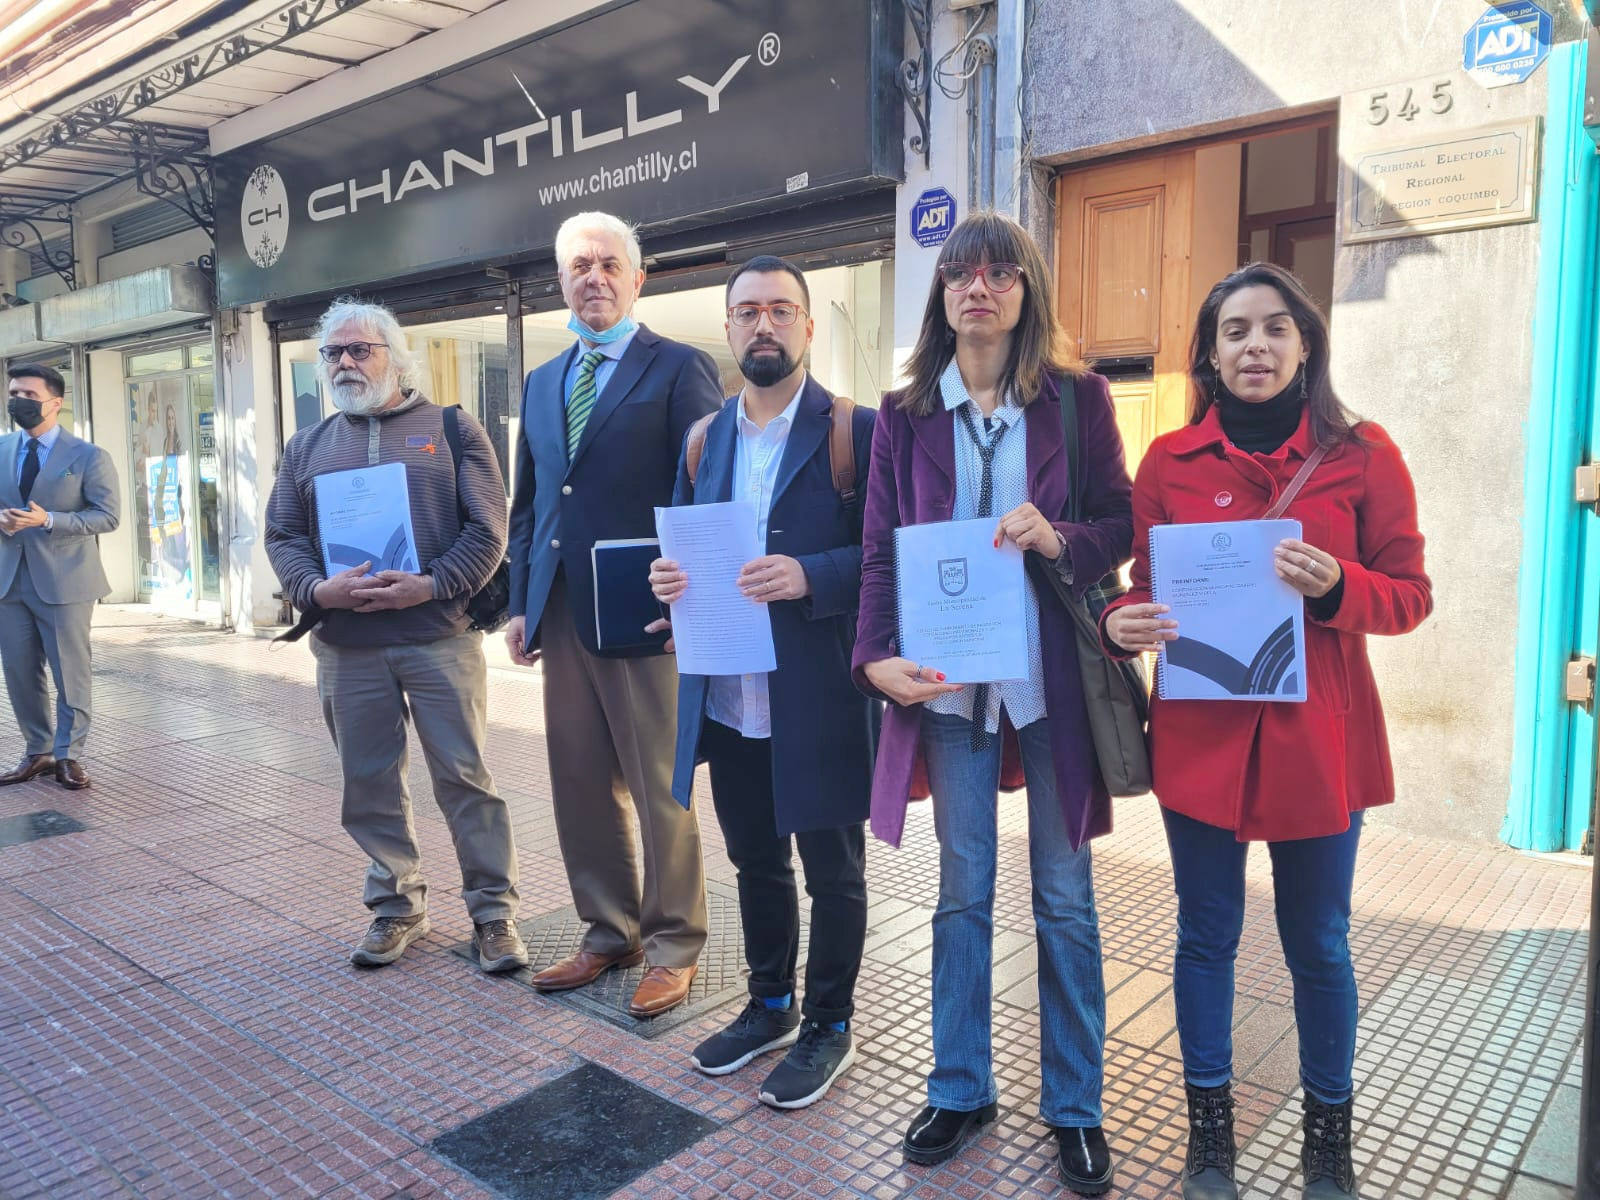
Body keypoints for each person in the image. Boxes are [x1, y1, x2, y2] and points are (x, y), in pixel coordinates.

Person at [1102, 262, 1432, 1200]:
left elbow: (1410, 596)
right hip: (1201, 738)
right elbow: (1145, 592)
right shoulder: (1170, 460)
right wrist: (1117, 624)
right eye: (1235, 331)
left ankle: (1328, 1139)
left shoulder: (1366, 454)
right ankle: (1211, 1136)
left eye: (1275, 329)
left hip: (1316, 740)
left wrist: (1337, 587)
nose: (1255, 346)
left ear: (1306, 344)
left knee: (1318, 942)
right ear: (1209, 351)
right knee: (1205, 934)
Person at [852, 213, 1133, 1191]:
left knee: (1064, 898)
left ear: (1025, 290)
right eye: (962, 273)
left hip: (1047, 679)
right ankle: (960, 1085)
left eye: (1000, 272)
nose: (980, 287)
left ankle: (1076, 1106)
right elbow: (882, 548)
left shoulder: (1077, 401)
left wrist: (1058, 536)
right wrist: (871, 656)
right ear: (941, 294)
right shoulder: (903, 416)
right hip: (944, 685)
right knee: (959, 893)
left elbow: (1118, 524)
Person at [647, 255, 877, 1106]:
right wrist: (666, 584)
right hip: (729, 691)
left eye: (782, 310)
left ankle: (829, 1025)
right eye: (748, 313)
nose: (764, 325)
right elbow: (680, 551)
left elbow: (887, 555)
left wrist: (812, 573)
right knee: (754, 861)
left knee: (834, 872)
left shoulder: (858, 429)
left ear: (810, 328)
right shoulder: (703, 439)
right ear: (730, 329)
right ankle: (770, 1003)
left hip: (817, 693)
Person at [265, 298, 527, 974]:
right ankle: (396, 905)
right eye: (334, 352)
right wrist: (317, 592)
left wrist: (433, 584)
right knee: (368, 782)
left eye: (361, 349)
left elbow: (489, 530)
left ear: (395, 356)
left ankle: (493, 915)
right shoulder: (307, 447)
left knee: (465, 779)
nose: (346, 362)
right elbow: (284, 537)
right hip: (348, 647)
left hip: (438, 636)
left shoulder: (451, 428)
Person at [506, 211, 721, 1017]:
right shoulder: (542, 381)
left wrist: (692, 596)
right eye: (577, 267)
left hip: (644, 609)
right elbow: (532, 501)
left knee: (657, 782)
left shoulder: (679, 368)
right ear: (561, 282)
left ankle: (674, 944)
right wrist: (523, 601)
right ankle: (609, 930)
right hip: (561, 610)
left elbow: (703, 490)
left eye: (608, 264)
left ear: (639, 279)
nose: (592, 277)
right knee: (578, 781)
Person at [0, 363, 119, 791]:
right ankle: (38, 750)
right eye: (14, 393)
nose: (19, 402)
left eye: (29, 395)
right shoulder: (1, 448)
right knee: (18, 669)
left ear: (55, 402)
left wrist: (48, 519)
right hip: (9, 581)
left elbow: (107, 517)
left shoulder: (88, 456)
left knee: (70, 671)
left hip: (66, 581)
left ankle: (69, 755)